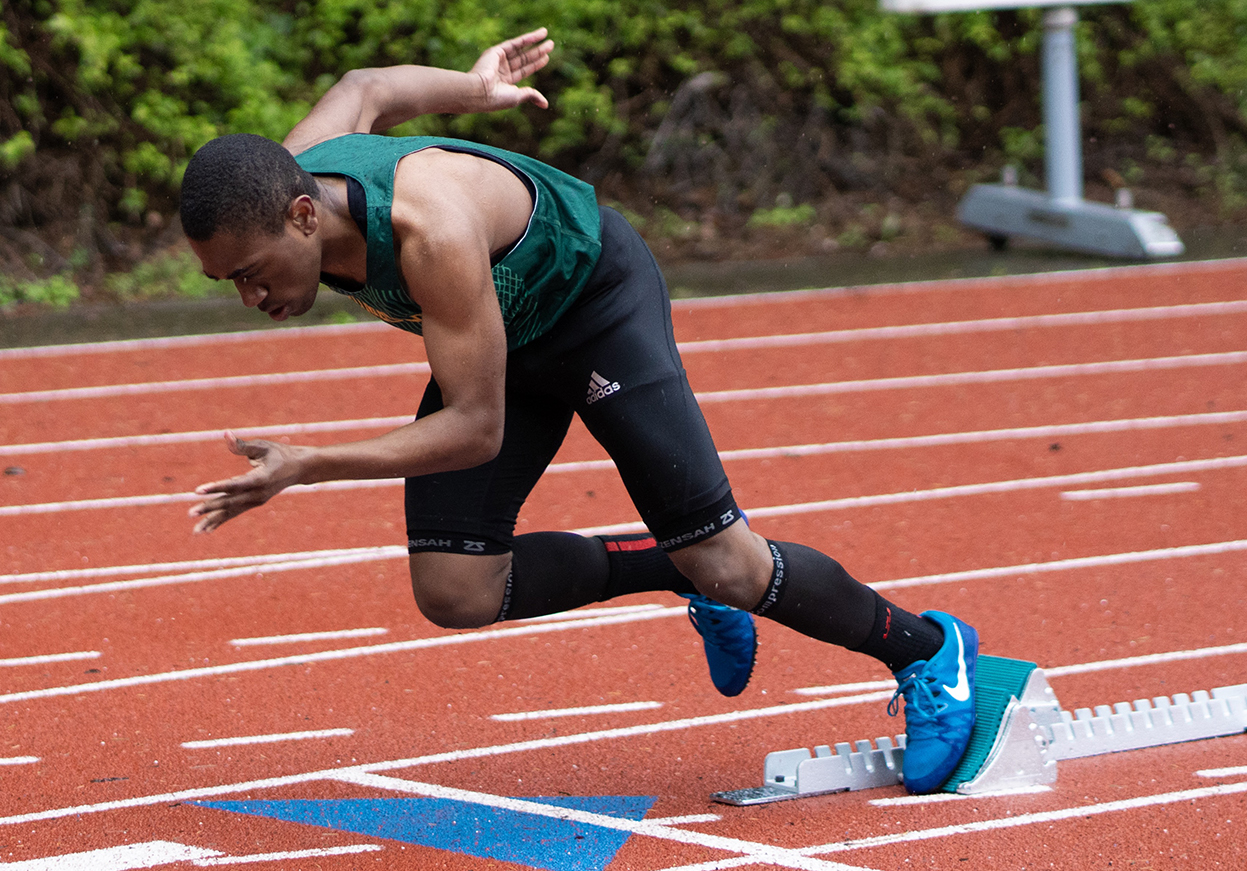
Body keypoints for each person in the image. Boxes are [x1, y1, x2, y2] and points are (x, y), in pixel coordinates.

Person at [178, 29, 980, 794]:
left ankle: (928, 651)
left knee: (731, 565)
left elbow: (474, 429)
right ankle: (676, 567)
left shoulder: (429, 232)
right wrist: (476, 90)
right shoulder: (291, 170)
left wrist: (312, 464)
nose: (252, 298)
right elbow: (367, 87)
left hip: (594, 308)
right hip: (501, 331)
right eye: (230, 285)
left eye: (253, 273)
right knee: (457, 591)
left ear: (305, 216)